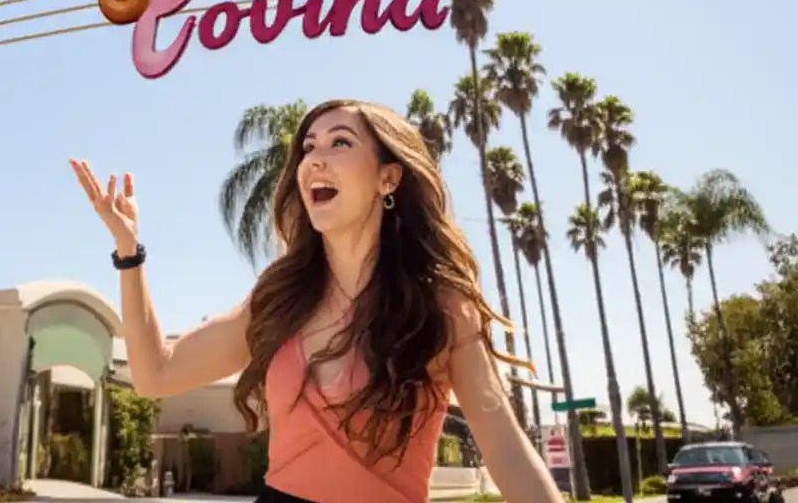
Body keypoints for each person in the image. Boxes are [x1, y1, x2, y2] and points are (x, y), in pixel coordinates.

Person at [69, 99, 560, 503]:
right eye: (309, 147)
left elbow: (508, 453)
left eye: (340, 142)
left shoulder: (441, 306)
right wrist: (129, 254)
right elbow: (156, 372)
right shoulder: (281, 297)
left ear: (388, 178)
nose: (314, 160)